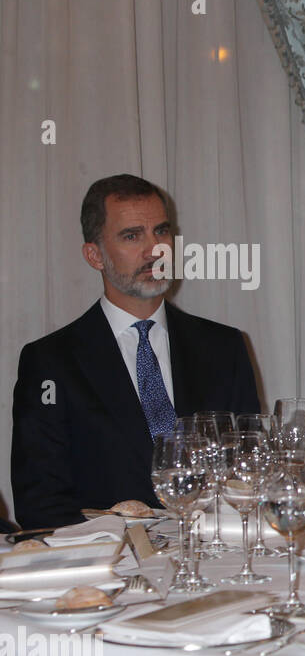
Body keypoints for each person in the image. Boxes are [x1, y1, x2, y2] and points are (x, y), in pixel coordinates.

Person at [11, 174, 260, 529]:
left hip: (214, 562)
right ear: (94, 255)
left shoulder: (224, 347)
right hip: (110, 572)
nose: (154, 250)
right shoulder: (51, 362)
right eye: (132, 236)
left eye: (161, 231)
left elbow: (248, 474)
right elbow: (40, 504)